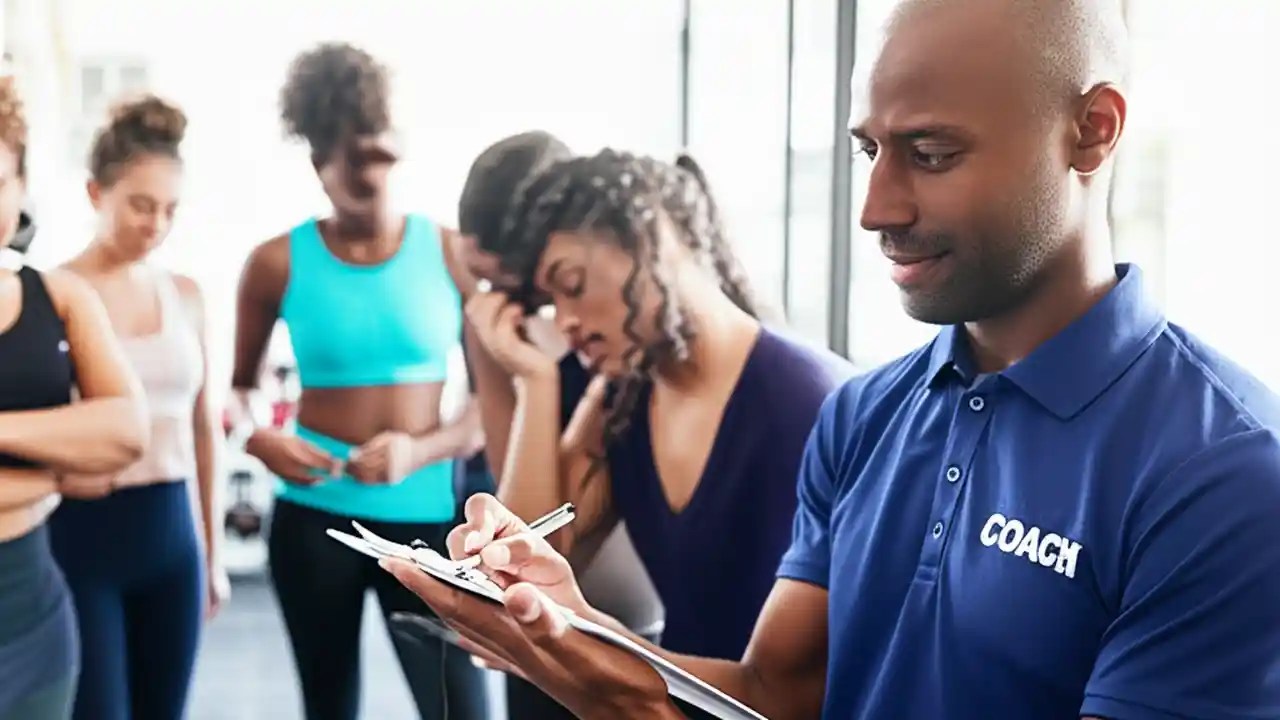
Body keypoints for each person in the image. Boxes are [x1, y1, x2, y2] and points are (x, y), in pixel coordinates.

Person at [385, 1, 1280, 718]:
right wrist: (572, 634)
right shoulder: (865, 416)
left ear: (1092, 131)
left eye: (930, 154)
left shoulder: (1225, 471)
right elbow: (774, 697)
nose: (876, 208)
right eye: (868, 151)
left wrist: (602, 681)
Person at [457, 146, 854, 667]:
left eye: (572, 286)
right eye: (555, 303)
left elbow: (795, 685)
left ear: (656, 240)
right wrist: (536, 380)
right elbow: (536, 552)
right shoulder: (621, 399)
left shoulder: (815, 403)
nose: (567, 321)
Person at [231, 42, 487, 720]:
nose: (374, 177)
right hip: (315, 520)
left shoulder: (450, 253)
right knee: (330, 705)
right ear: (320, 165)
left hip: (429, 521)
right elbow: (236, 392)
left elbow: (486, 408)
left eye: (384, 156)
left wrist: (418, 450)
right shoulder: (273, 263)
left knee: (461, 709)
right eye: (355, 163)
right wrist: (263, 439)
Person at [449, 132, 666, 719]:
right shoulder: (495, 329)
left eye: (503, 279)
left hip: (640, 613)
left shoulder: (628, 331)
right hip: (542, 621)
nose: (490, 295)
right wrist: (530, 378)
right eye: (477, 277)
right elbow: (523, 528)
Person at [48, 94, 227, 720]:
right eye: (141, 205)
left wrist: (213, 553)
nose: (155, 224)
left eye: (170, 209)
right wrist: (62, 476)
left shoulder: (187, 295)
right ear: (97, 194)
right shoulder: (51, 294)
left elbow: (205, 427)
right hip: (80, 537)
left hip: (172, 532)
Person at [0, 77, 149, 720]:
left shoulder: (59, 298)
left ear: (22, 185)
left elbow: (125, 431)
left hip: (33, 618)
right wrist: (58, 471)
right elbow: (96, 456)